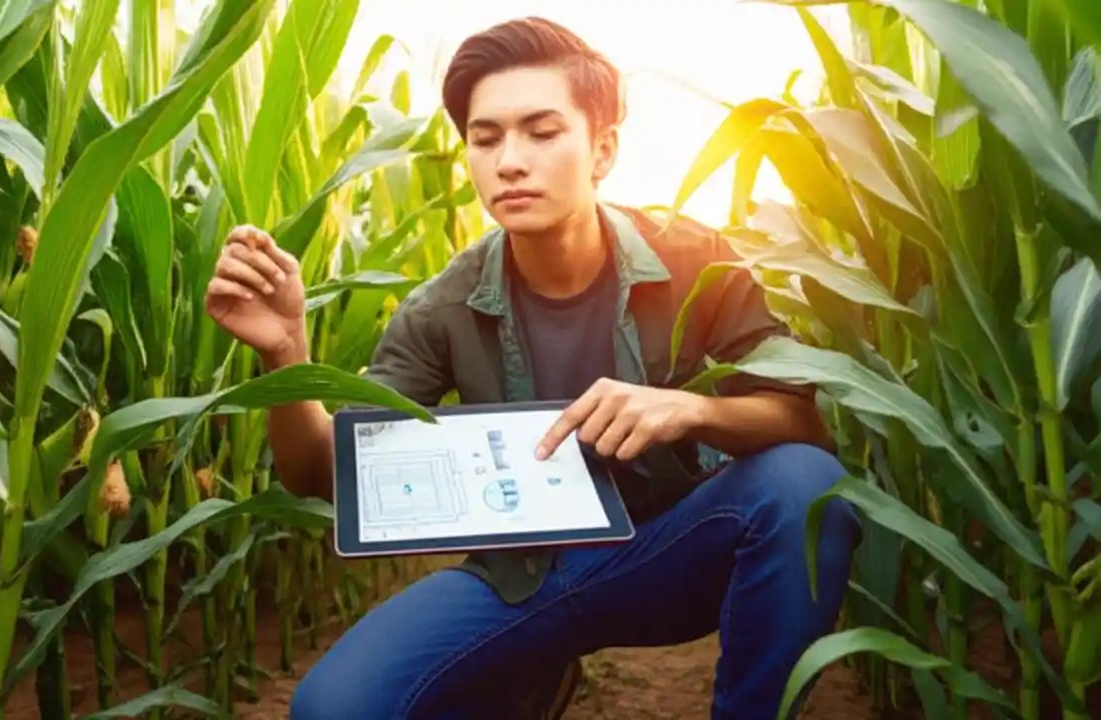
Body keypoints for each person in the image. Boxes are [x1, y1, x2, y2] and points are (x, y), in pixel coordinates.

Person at [204, 16, 861, 720]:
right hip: (520, 580)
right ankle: (528, 676)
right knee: (333, 709)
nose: (510, 161)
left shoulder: (697, 261)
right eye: (485, 139)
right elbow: (325, 474)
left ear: (603, 149)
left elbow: (804, 424)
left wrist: (692, 409)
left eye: (542, 133)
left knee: (805, 486)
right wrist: (287, 354)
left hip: (670, 556)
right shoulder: (442, 308)